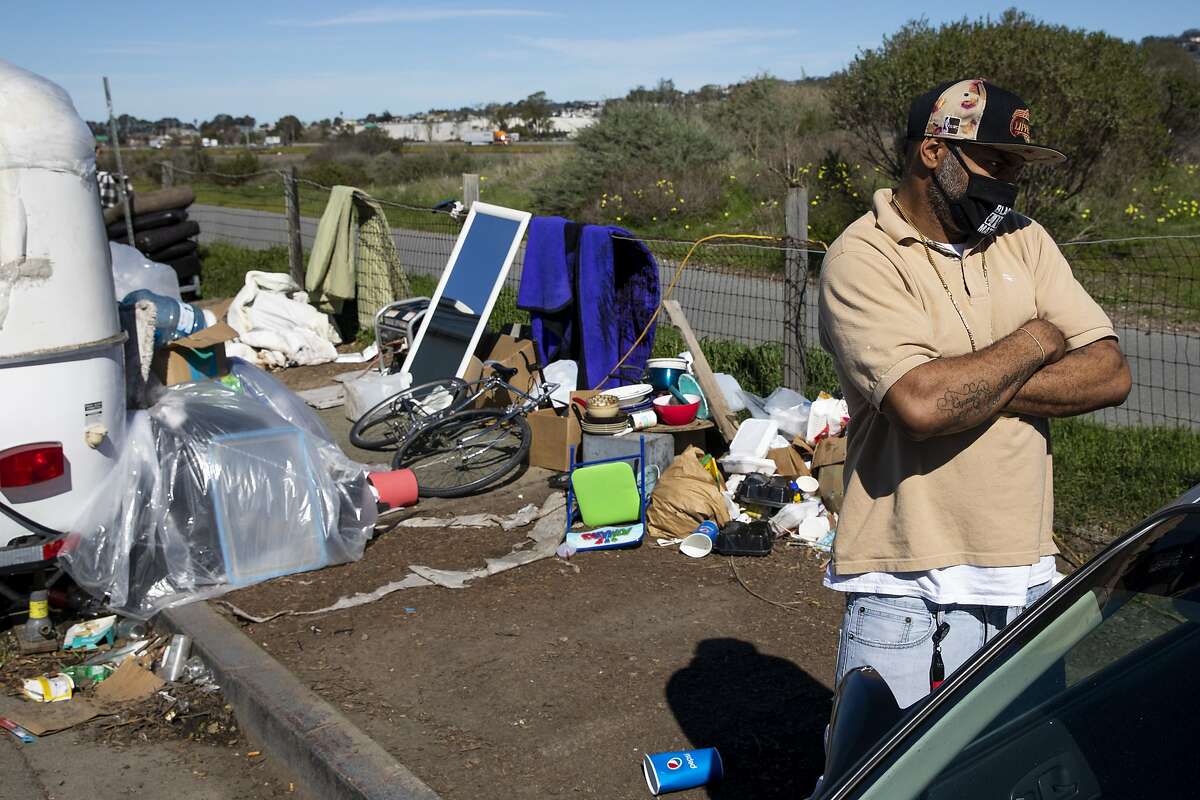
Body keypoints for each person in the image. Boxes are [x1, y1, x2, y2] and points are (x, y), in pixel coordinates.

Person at [817, 79, 1131, 709]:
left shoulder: (1025, 239)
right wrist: (1038, 340)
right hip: (903, 581)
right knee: (887, 772)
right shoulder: (864, 256)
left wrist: (971, 384)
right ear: (934, 152)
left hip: (1024, 574)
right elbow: (921, 406)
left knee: (1013, 766)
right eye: (996, 163)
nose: (1009, 184)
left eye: (1017, 168)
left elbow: (1109, 373)